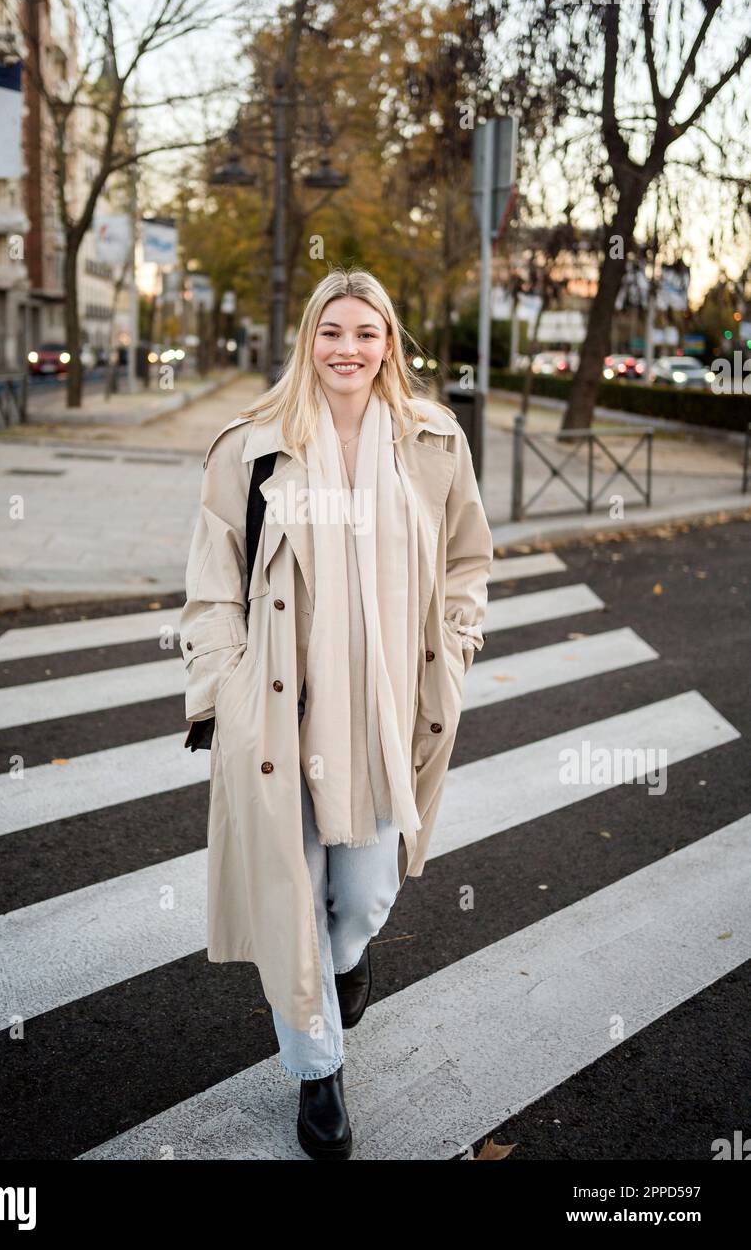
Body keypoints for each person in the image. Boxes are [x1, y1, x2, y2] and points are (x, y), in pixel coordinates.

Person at [179, 265, 493, 1160]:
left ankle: (351, 962)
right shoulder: (253, 445)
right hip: (283, 715)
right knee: (289, 900)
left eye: (365, 333)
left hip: (386, 713)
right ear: (307, 340)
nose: (347, 349)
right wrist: (225, 687)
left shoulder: (433, 441)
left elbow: (469, 555)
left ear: (388, 342)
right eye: (331, 332)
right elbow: (213, 580)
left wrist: (459, 639)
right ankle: (318, 1077)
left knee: (361, 896)